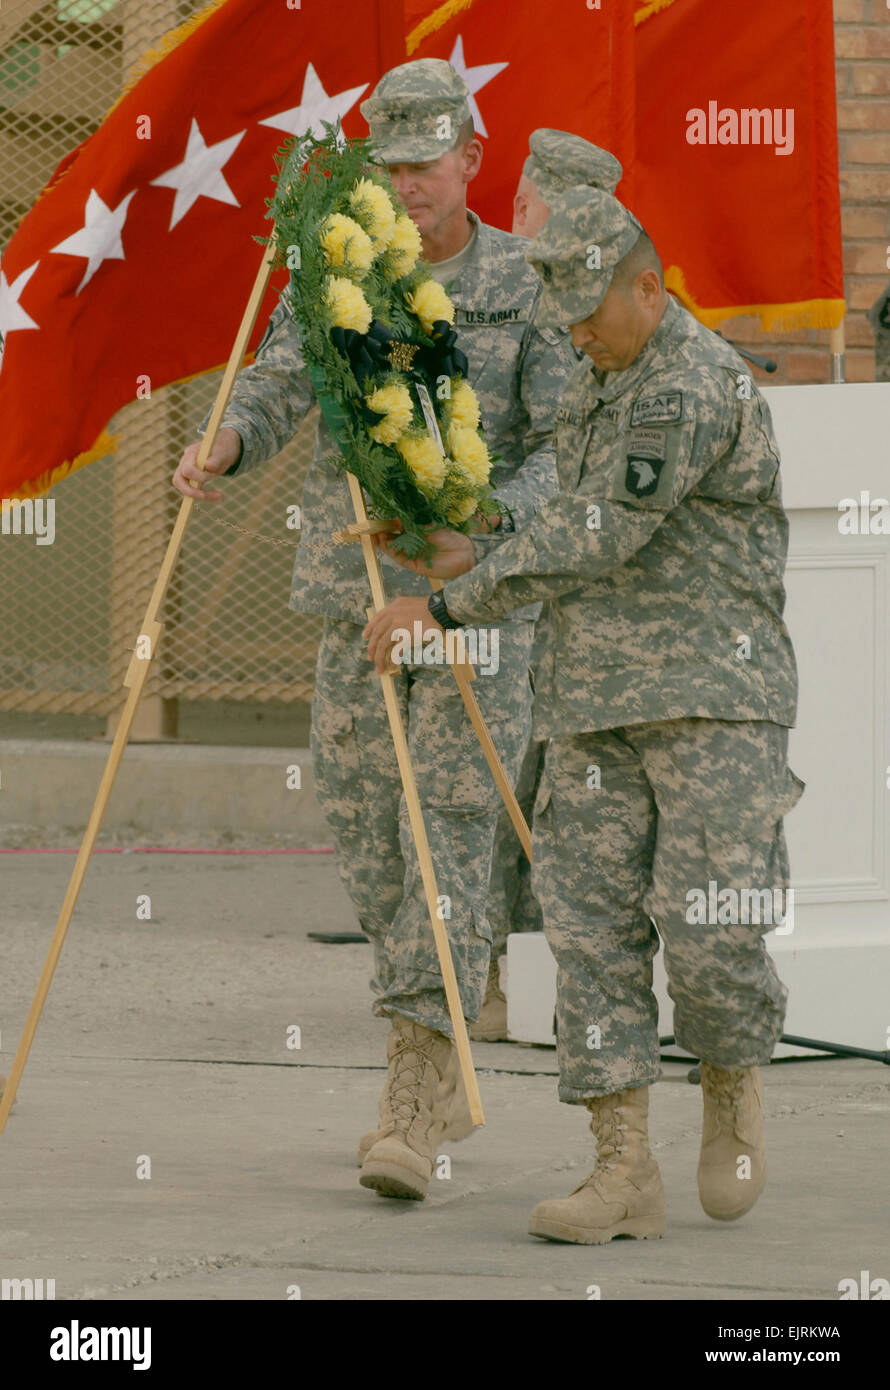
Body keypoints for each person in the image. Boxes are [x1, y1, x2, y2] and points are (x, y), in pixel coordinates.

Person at [365, 186, 805, 1243]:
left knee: (709, 933)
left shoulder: (687, 383)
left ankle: (731, 1076)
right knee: (591, 934)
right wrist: (469, 534)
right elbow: (558, 495)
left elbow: (602, 527)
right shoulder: (601, 381)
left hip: (710, 702)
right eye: (556, 315)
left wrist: (454, 603)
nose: (571, 336)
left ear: (646, 289)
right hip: (589, 701)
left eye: (586, 314)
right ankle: (620, 1171)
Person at [171, 58, 576, 1202]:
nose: (406, 183)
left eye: (424, 161)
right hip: (354, 604)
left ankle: (414, 1080)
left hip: (470, 607)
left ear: (471, 159)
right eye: (387, 164)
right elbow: (280, 378)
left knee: (446, 832)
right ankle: (444, 991)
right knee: (364, 832)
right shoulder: (341, 266)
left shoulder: (528, 284)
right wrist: (228, 445)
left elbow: (561, 448)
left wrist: (484, 529)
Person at [474, 129, 627, 1045]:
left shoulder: (615, 306)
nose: (532, 220)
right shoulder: (495, 290)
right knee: (499, 785)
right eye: (534, 202)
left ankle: (556, 977)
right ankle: (490, 972)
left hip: (584, 596)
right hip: (501, 577)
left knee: (570, 798)